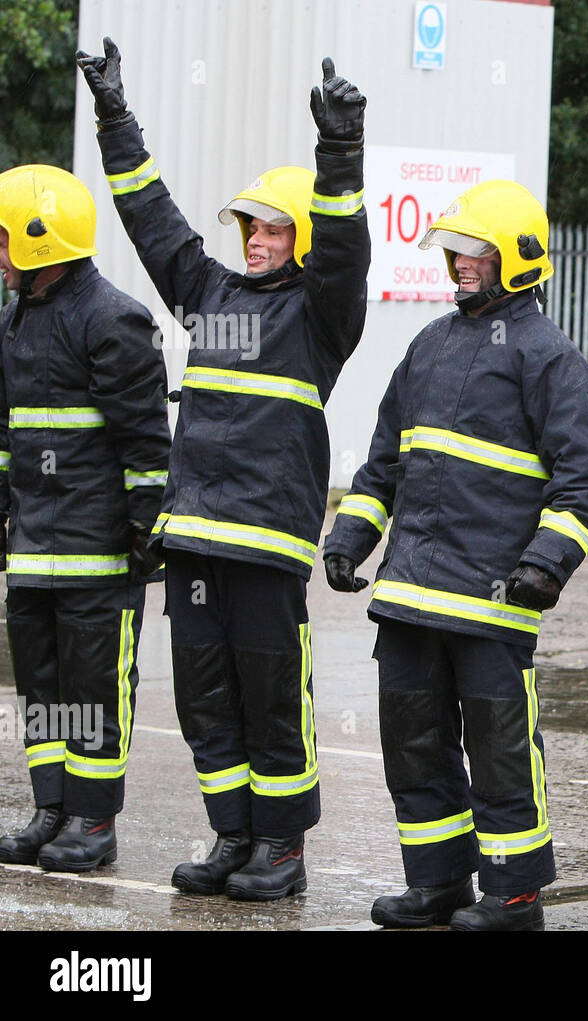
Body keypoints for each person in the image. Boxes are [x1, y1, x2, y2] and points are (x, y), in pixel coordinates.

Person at [77, 38, 371, 900]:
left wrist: (340, 153)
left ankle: (282, 845)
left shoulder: (322, 318)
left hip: (266, 545)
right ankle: (233, 835)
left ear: (300, 239)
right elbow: (151, 216)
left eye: (276, 229)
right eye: (251, 226)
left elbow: (347, 249)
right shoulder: (207, 295)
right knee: (207, 703)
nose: (257, 240)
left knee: (272, 697)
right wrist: (114, 118)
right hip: (195, 542)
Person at [323, 179, 588, 932]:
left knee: (502, 753)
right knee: (414, 748)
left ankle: (514, 896)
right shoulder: (429, 345)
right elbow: (384, 460)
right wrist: (352, 534)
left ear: (516, 256)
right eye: (455, 249)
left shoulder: (551, 358)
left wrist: (544, 566)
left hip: (491, 604)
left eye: (474, 248)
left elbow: (584, 486)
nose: (460, 262)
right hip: (411, 598)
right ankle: (438, 883)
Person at [0, 165, 169, 871]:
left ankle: (93, 823)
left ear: (40, 241)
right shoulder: (13, 317)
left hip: (98, 556)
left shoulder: (112, 318)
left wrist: (144, 535)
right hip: (34, 553)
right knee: (42, 687)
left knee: (95, 690)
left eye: (4, 238)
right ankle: (52, 809)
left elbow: (147, 445)